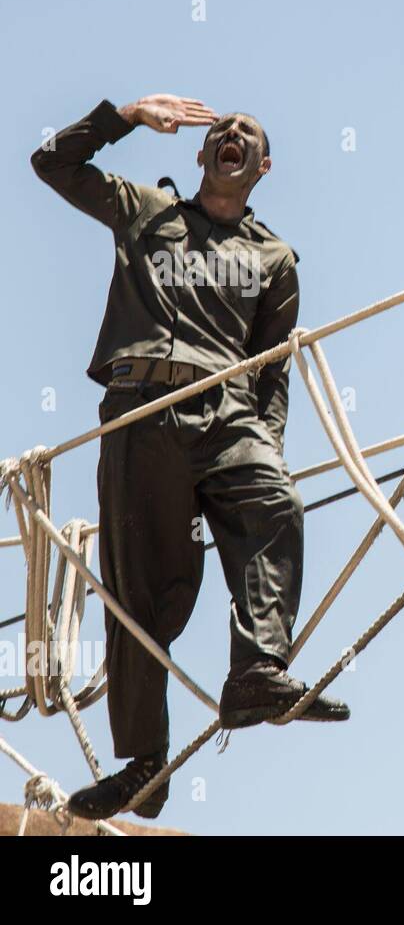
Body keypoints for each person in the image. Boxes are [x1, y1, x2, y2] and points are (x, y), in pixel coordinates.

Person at [30, 94, 350, 821]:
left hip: (228, 413)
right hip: (140, 412)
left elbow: (272, 369)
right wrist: (128, 115)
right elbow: (51, 161)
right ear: (201, 154)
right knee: (137, 591)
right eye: (222, 130)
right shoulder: (146, 213)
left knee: (276, 502)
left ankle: (258, 671)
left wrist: (265, 442)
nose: (232, 133)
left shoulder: (273, 259)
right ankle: (145, 765)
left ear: (262, 167)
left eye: (249, 134)